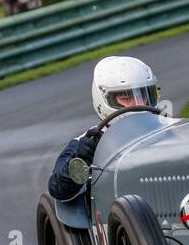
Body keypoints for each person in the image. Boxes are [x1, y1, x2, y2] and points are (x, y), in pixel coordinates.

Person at [48, 56, 160, 201]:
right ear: (104, 99)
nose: (138, 103)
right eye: (126, 98)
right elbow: (57, 190)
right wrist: (81, 161)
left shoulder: (166, 128)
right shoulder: (84, 144)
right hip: (116, 214)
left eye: (143, 95)